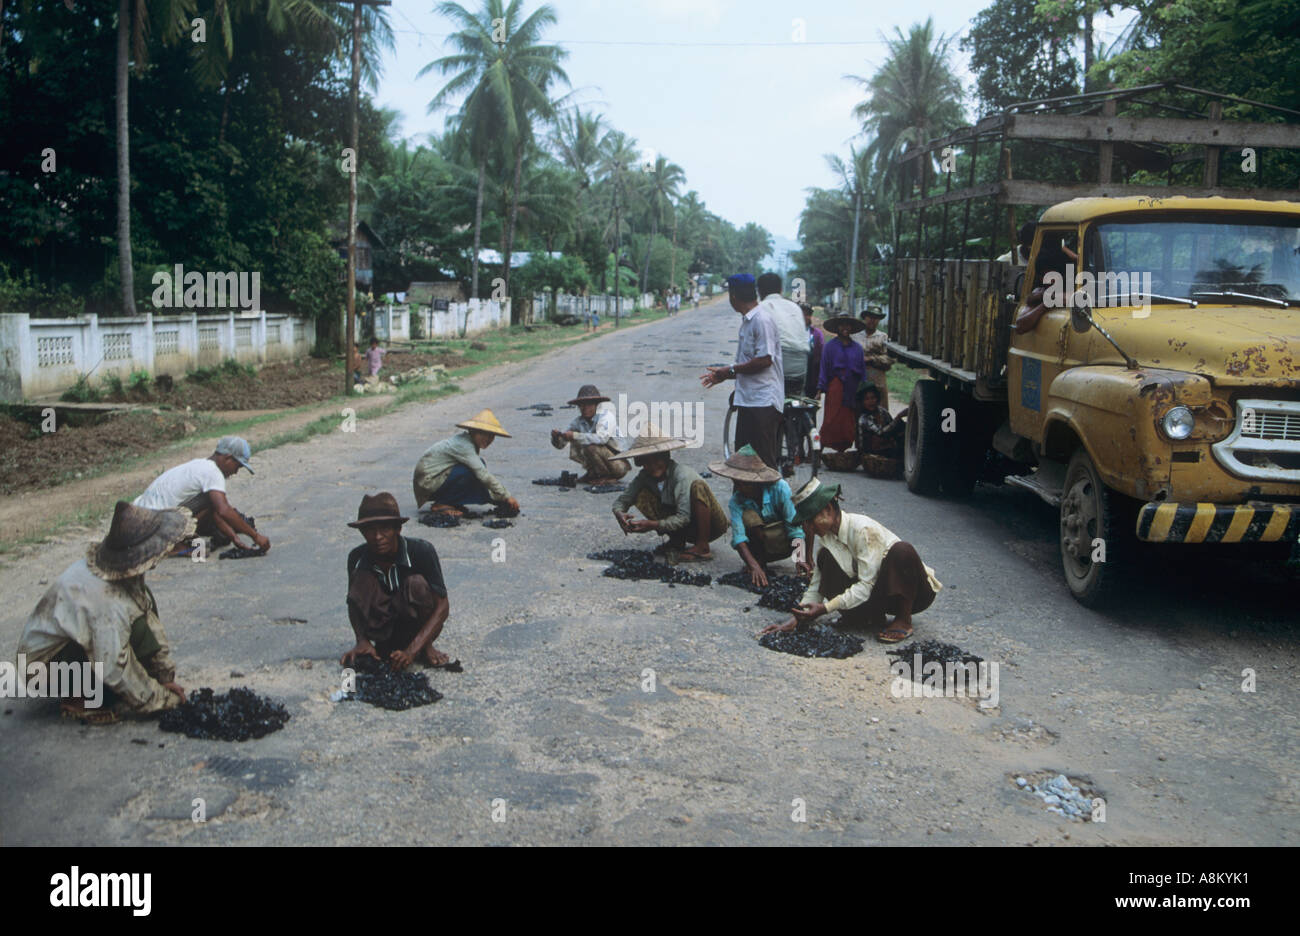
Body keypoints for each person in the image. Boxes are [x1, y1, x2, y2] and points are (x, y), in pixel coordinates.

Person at [18, 501, 194, 723]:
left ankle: (120, 685)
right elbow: (112, 666)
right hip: (42, 670)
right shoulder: (105, 599)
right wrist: (161, 701)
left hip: (74, 651)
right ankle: (76, 700)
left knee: (140, 608)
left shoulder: (125, 579)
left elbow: (147, 620)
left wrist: (162, 677)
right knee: (103, 640)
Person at [761, 478, 942, 644]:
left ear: (829, 510)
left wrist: (826, 608)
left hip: (913, 593)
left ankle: (903, 619)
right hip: (880, 594)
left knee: (902, 550)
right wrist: (798, 617)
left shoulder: (862, 529)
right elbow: (817, 584)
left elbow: (866, 585)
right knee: (825, 558)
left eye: (810, 520)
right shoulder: (828, 539)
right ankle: (869, 617)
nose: (808, 528)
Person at [342, 492, 450, 671]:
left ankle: (427, 645)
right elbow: (353, 603)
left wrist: (412, 651)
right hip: (380, 630)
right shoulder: (357, 558)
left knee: (416, 583)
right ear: (362, 532)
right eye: (370, 530)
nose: (377, 537)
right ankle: (379, 647)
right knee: (360, 579)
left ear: (397, 529)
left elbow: (443, 606)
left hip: (415, 626)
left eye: (385, 529)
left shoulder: (422, 551)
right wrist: (361, 640)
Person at [700, 273, 784, 469]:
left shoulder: (761, 320)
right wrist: (725, 375)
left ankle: (770, 500)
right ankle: (748, 500)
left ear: (733, 296)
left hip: (763, 402)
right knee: (743, 463)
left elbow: (764, 360)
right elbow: (748, 363)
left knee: (763, 465)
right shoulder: (748, 321)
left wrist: (729, 370)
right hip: (748, 400)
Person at [133, 436, 269, 555]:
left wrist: (234, 538)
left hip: (138, 520)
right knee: (214, 503)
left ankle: (174, 541)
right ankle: (174, 546)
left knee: (212, 501)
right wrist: (256, 536)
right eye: (237, 467)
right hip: (152, 527)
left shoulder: (199, 465)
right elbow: (223, 510)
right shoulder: (213, 472)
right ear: (228, 459)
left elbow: (216, 511)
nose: (235, 472)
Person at [610, 427, 729, 562]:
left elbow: (683, 517)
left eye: (656, 460)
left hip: (711, 526)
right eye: (647, 462)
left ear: (666, 457)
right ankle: (677, 540)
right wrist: (619, 514)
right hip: (684, 528)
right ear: (641, 463)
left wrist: (652, 525)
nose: (652, 466)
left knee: (698, 487)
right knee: (641, 493)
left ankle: (702, 547)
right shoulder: (644, 476)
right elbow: (622, 501)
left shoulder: (681, 475)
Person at [709, 445, 808, 587]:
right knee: (748, 516)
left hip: (784, 540)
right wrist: (753, 565)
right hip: (759, 544)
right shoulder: (736, 501)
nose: (740, 488)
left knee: (805, 514)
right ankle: (760, 560)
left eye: (744, 484)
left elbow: (794, 526)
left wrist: (800, 557)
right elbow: (739, 538)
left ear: (756, 481)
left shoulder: (780, 488)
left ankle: (806, 560)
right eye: (736, 483)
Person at [412, 410, 520, 517]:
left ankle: (451, 501)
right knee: (470, 471)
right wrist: (506, 496)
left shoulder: (468, 443)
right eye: (483, 434)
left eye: (492, 436)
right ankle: (441, 504)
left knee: (479, 465)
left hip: (436, 479)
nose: (488, 439)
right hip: (427, 484)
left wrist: (500, 499)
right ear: (473, 432)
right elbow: (483, 475)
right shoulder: (464, 446)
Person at [551, 384, 628, 483]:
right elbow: (562, 445)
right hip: (604, 461)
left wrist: (575, 435)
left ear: (596, 405)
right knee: (576, 439)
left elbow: (601, 439)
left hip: (618, 464)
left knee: (588, 445)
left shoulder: (606, 417)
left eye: (589, 405)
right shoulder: (578, 422)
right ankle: (592, 473)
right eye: (582, 405)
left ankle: (605, 476)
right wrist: (557, 438)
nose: (585, 408)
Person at [816, 315, 867, 452]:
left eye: (848, 325)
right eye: (842, 325)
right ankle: (819, 450)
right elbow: (824, 368)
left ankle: (843, 452)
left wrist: (864, 390)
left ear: (852, 328)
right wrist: (820, 389)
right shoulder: (830, 347)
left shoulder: (857, 348)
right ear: (837, 327)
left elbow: (862, 371)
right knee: (830, 420)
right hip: (836, 387)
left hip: (852, 389)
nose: (845, 328)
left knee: (849, 422)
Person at [757, 272, 809, 399]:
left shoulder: (760, 308)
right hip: (801, 364)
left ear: (759, 291)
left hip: (778, 364)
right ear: (780, 289)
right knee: (794, 398)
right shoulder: (795, 307)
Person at [857, 384, 905, 459]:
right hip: (872, 452)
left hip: (886, 445)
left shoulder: (882, 411)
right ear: (862, 402)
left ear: (877, 398)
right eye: (866, 399)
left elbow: (892, 425)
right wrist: (898, 417)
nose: (870, 401)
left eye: (873, 398)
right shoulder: (864, 418)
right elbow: (880, 433)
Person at [859, 306, 891, 410]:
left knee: (880, 410)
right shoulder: (855, 336)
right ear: (865, 318)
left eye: (876, 318)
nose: (872, 320)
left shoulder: (883, 337)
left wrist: (871, 359)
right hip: (859, 378)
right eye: (870, 317)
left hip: (877, 378)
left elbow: (890, 359)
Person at [802, 303, 824, 399]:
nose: (804, 317)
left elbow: (822, 358)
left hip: (812, 377)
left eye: (807, 314)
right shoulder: (792, 332)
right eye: (802, 314)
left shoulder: (816, 334)